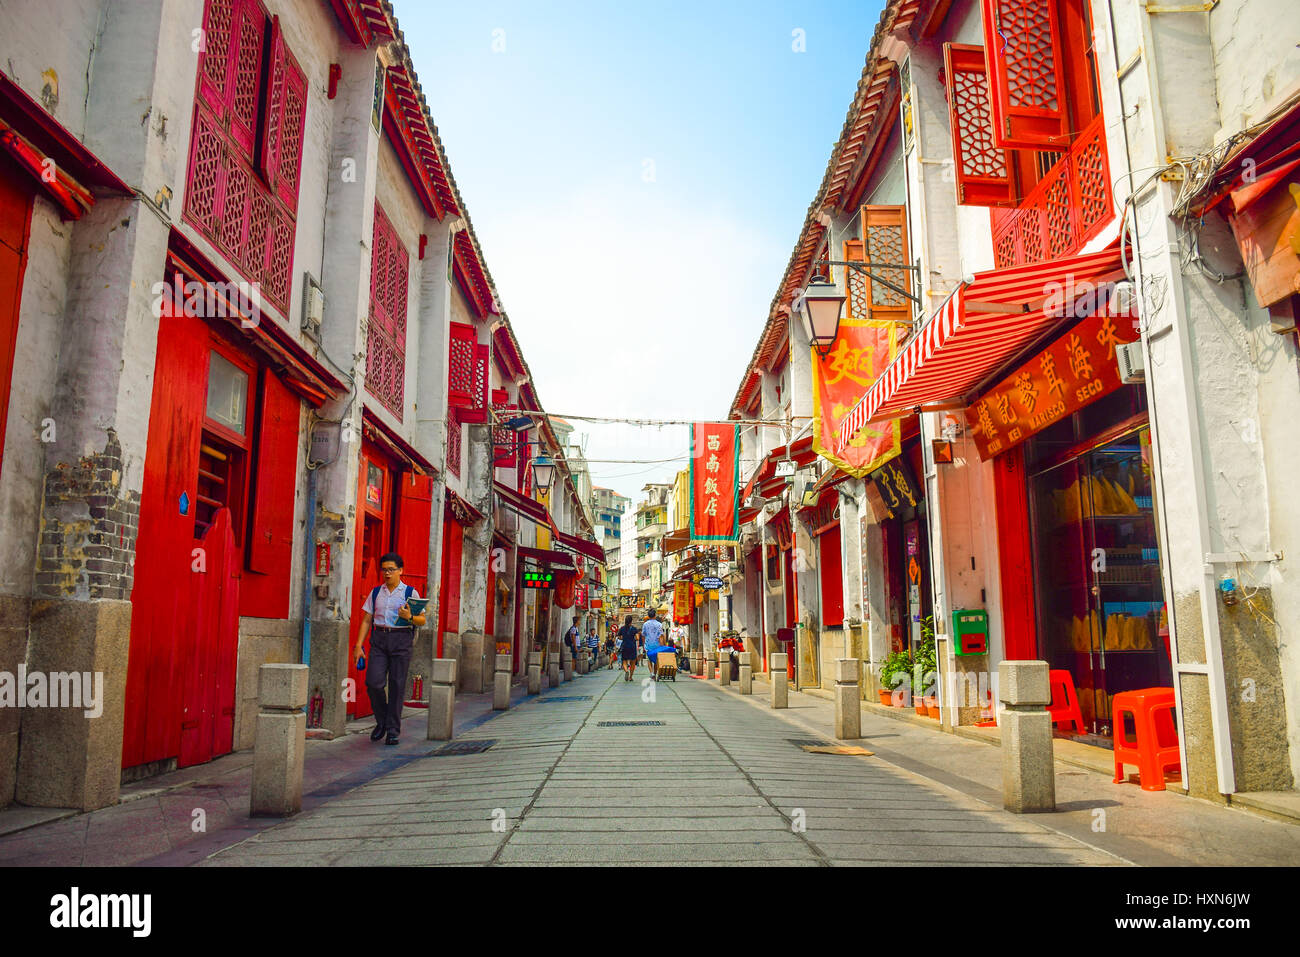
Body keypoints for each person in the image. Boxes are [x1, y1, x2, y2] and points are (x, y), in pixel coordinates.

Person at [352, 552, 426, 745]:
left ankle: (393, 730)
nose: (387, 573)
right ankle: (382, 721)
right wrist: (358, 645)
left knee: (397, 685)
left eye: (391, 570)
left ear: (401, 571)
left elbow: (422, 620)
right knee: (373, 682)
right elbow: (367, 619)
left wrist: (409, 616)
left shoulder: (410, 593)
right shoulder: (376, 592)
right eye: (384, 569)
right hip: (379, 639)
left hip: (401, 639)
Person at [640, 608, 665, 677]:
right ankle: (655, 672)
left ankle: (651, 673)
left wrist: (644, 644)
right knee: (656, 660)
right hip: (657, 645)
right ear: (655, 615)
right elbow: (661, 636)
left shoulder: (645, 624)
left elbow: (643, 635)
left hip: (648, 645)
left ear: (648, 616)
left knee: (649, 660)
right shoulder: (659, 624)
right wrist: (662, 645)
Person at [617, 615, 639, 682]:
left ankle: (626, 670)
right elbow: (637, 638)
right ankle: (630, 677)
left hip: (625, 646)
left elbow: (619, 637)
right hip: (632, 646)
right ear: (631, 621)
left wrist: (624, 638)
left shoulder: (622, 628)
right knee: (632, 662)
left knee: (624, 661)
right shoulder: (634, 629)